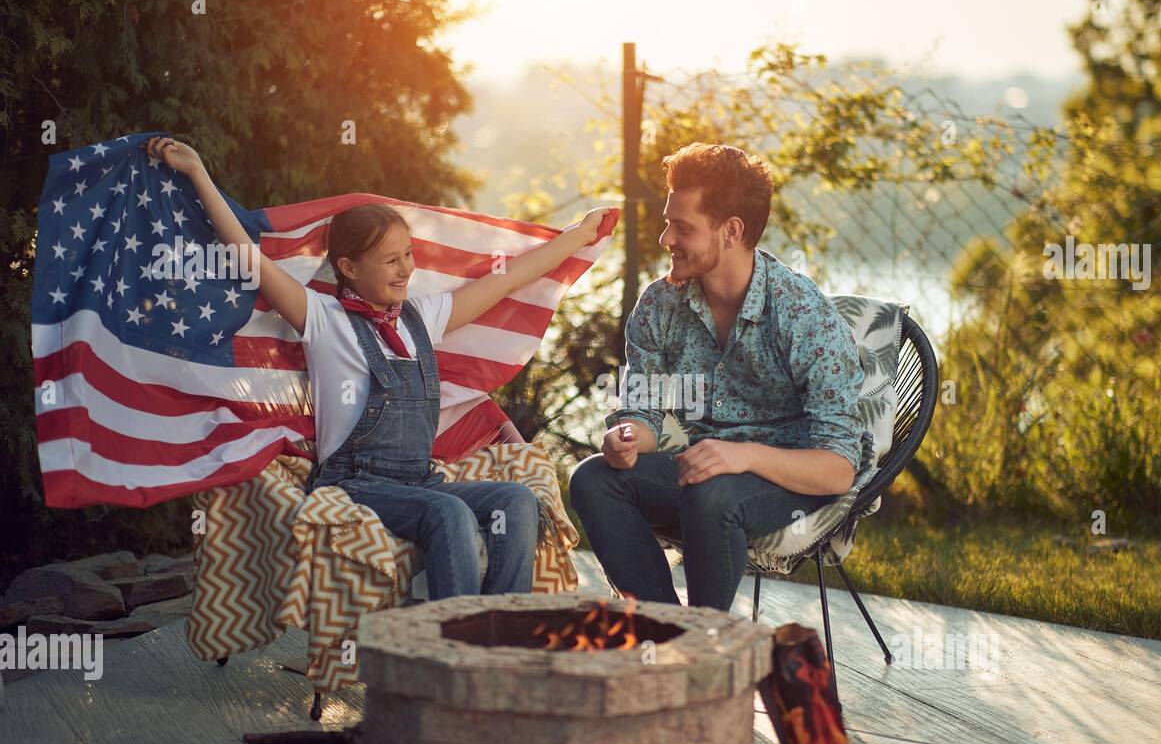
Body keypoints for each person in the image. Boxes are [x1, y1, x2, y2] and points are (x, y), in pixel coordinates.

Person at [144, 135, 614, 600]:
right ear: (348, 268)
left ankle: (493, 633)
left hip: (419, 480)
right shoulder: (323, 321)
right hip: (354, 484)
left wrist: (580, 234)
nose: (406, 269)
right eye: (390, 260)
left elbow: (508, 278)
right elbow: (248, 257)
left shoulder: (422, 319)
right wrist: (198, 173)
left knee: (516, 501)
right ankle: (452, 642)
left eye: (408, 254)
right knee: (447, 513)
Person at [569, 142, 865, 612]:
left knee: (712, 494)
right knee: (593, 479)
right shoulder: (659, 305)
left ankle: (705, 642)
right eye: (668, 222)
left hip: (789, 480)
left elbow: (839, 468)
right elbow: (642, 411)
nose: (666, 239)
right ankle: (661, 628)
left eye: (682, 228)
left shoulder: (802, 314)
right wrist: (626, 437)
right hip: (704, 472)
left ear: (731, 231)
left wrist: (744, 455)